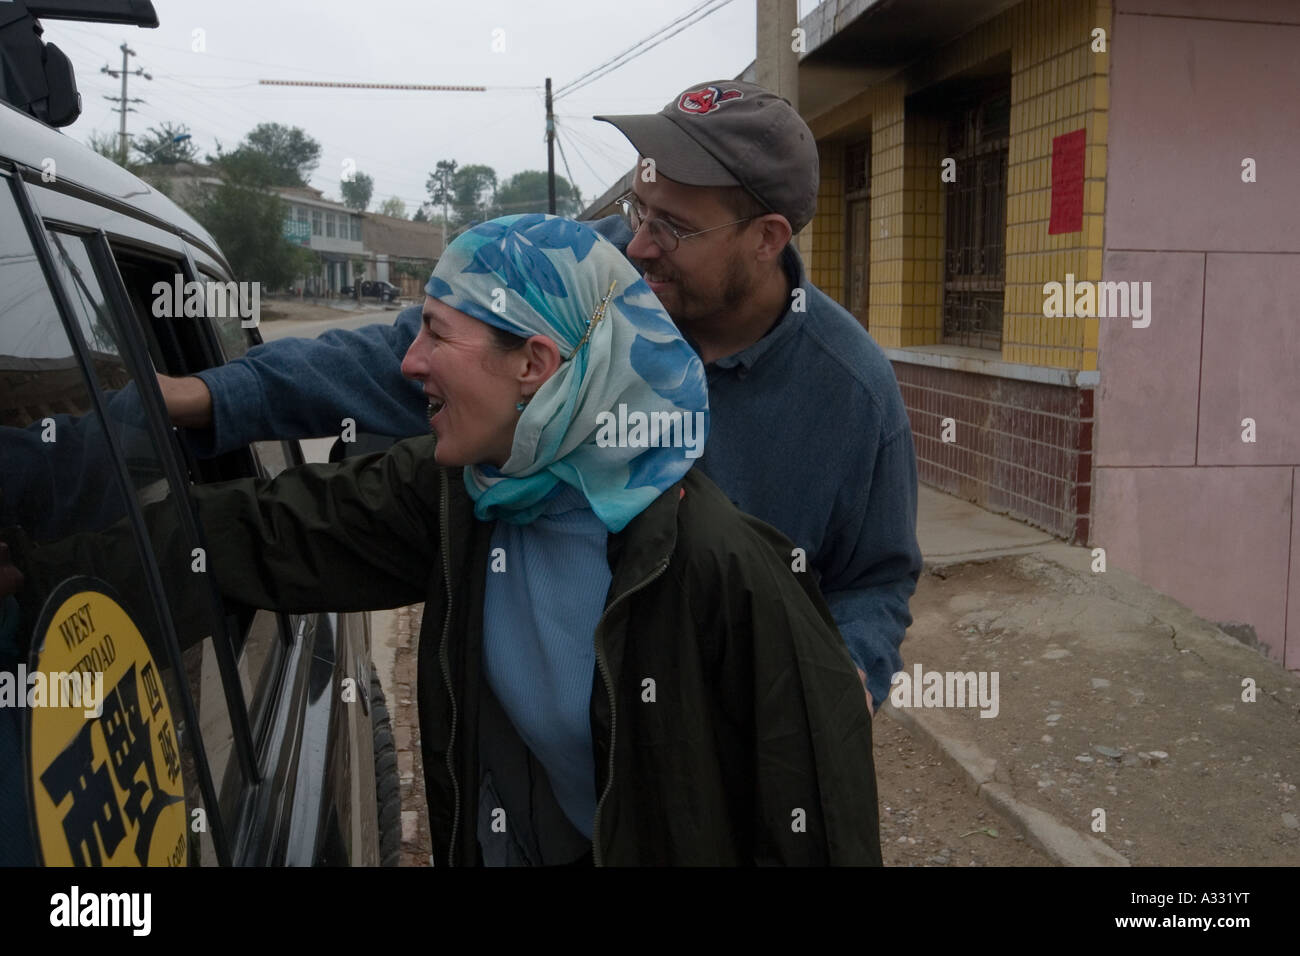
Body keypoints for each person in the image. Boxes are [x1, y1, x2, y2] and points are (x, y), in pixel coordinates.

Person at [34, 215, 881, 865]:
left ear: (535, 367)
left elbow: (817, 831)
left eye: (437, 334)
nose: (409, 364)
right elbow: (259, 531)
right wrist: (37, 573)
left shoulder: (722, 571)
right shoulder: (466, 495)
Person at [158, 80, 921, 717]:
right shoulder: (586, 277)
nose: (641, 245)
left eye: (675, 227)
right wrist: (209, 395)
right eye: (638, 210)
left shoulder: (852, 396)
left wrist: (846, 677)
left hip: (690, 769)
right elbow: (403, 358)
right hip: (529, 770)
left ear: (767, 237)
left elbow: (876, 579)